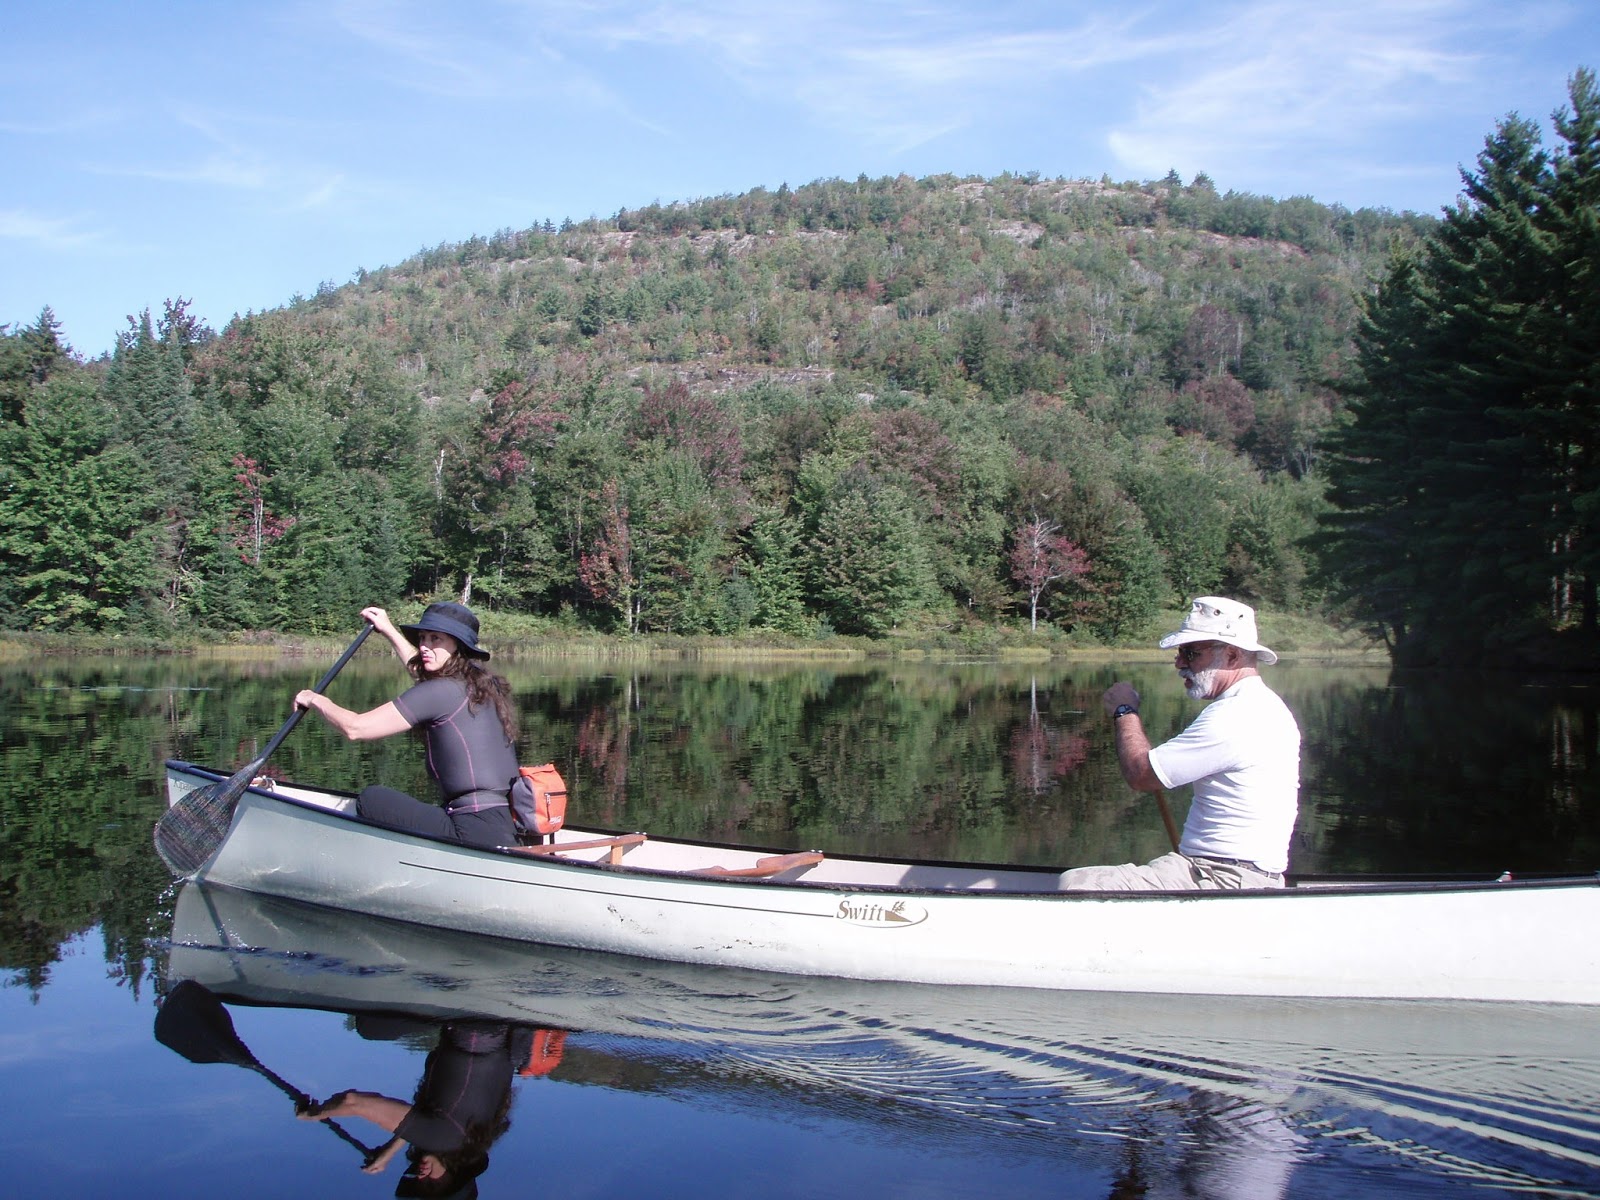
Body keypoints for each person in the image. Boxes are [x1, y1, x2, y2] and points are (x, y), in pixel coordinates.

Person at [1062, 596, 1301, 890]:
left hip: (1225, 878)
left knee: (1078, 884)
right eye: (1180, 652)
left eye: (1190, 653)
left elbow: (1142, 774)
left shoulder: (1238, 714)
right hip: (1216, 869)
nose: (1179, 663)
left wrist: (1125, 711)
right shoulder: (1262, 705)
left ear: (1232, 655)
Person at [295, 602, 520, 850]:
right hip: (504, 823)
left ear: (458, 646)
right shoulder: (481, 685)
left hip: (471, 828)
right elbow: (419, 671)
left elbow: (356, 728)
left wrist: (316, 700)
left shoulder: (440, 691)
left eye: (436, 639)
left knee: (373, 799)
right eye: (422, 638)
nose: (424, 646)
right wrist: (388, 630)